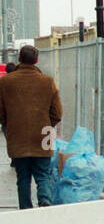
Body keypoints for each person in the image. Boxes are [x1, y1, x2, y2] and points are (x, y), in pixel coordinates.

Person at [0, 45, 63, 209]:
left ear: (19, 58)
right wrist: (46, 126)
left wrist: (10, 125)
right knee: (43, 174)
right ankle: (45, 201)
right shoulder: (47, 81)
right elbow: (57, 113)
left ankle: (26, 210)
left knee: (23, 177)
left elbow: (1, 113)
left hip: (17, 136)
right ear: (36, 60)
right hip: (44, 135)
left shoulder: (5, 82)